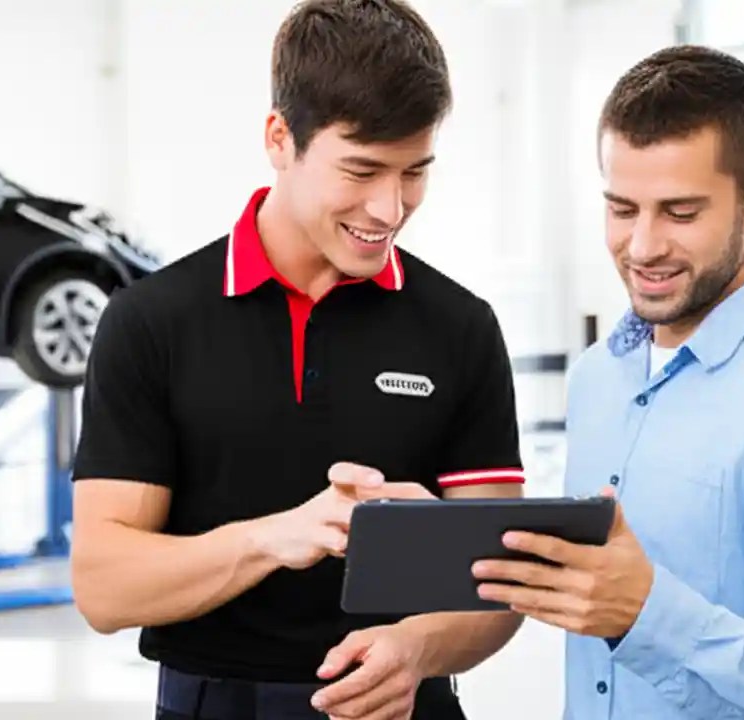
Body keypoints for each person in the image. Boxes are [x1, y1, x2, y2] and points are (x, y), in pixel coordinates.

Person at [69, 1, 526, 718]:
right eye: (361, 169)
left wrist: (420, 647)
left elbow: (501, 588)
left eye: (415, 172)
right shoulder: (151, 322)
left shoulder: (459, 328)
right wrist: (276, 537)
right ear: (280, 138)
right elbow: (104, 588)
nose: (389, 208)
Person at [471, 45, 744, 719]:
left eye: (680, 212)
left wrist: (649, 613)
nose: (643, 246)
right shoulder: (598, 380)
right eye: (622, 208)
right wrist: (439, 534)